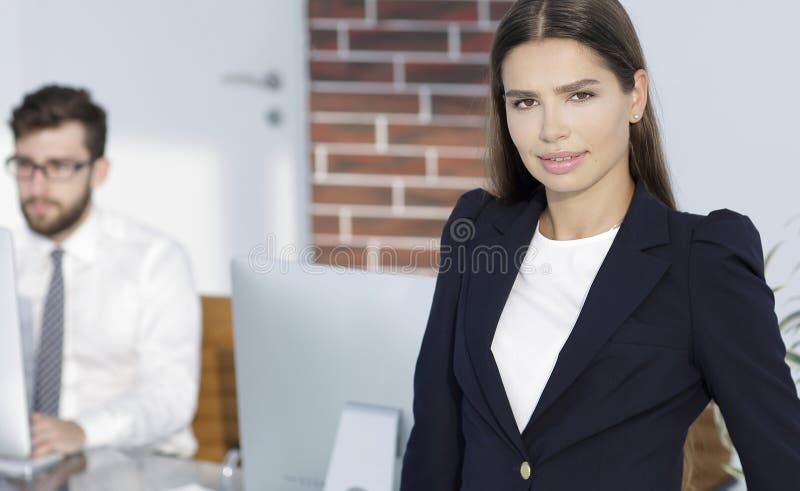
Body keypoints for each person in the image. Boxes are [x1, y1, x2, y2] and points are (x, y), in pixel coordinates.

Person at [400, 0, 800, 490]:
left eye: (579, 96)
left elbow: (783, 469)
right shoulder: (477, 231)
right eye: (525, 101)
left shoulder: (703, 261)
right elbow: (433, 449)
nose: (551, 130)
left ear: (635, 96)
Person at [4, 85, 201, 459]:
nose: (38, 186)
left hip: (131, 464)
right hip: (25, 466)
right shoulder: (8, 259)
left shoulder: (154, 260)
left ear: (99, 172)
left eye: (60, 167)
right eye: (25, 166)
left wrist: (82, 431)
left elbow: (170, 395)